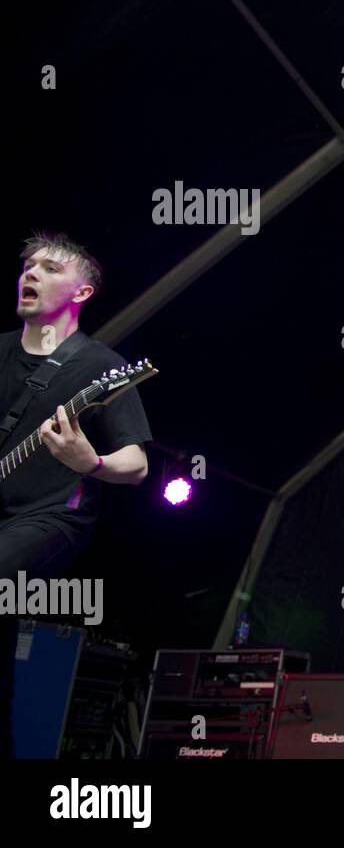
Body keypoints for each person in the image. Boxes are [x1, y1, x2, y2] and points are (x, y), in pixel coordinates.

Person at [0, 232, 152, 758]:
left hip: (49, 518)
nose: (30, 274)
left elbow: (136, 465)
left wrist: (92, 463)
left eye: (48, 267)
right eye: (27, 266)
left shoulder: (100, 366)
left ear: (82, 292)